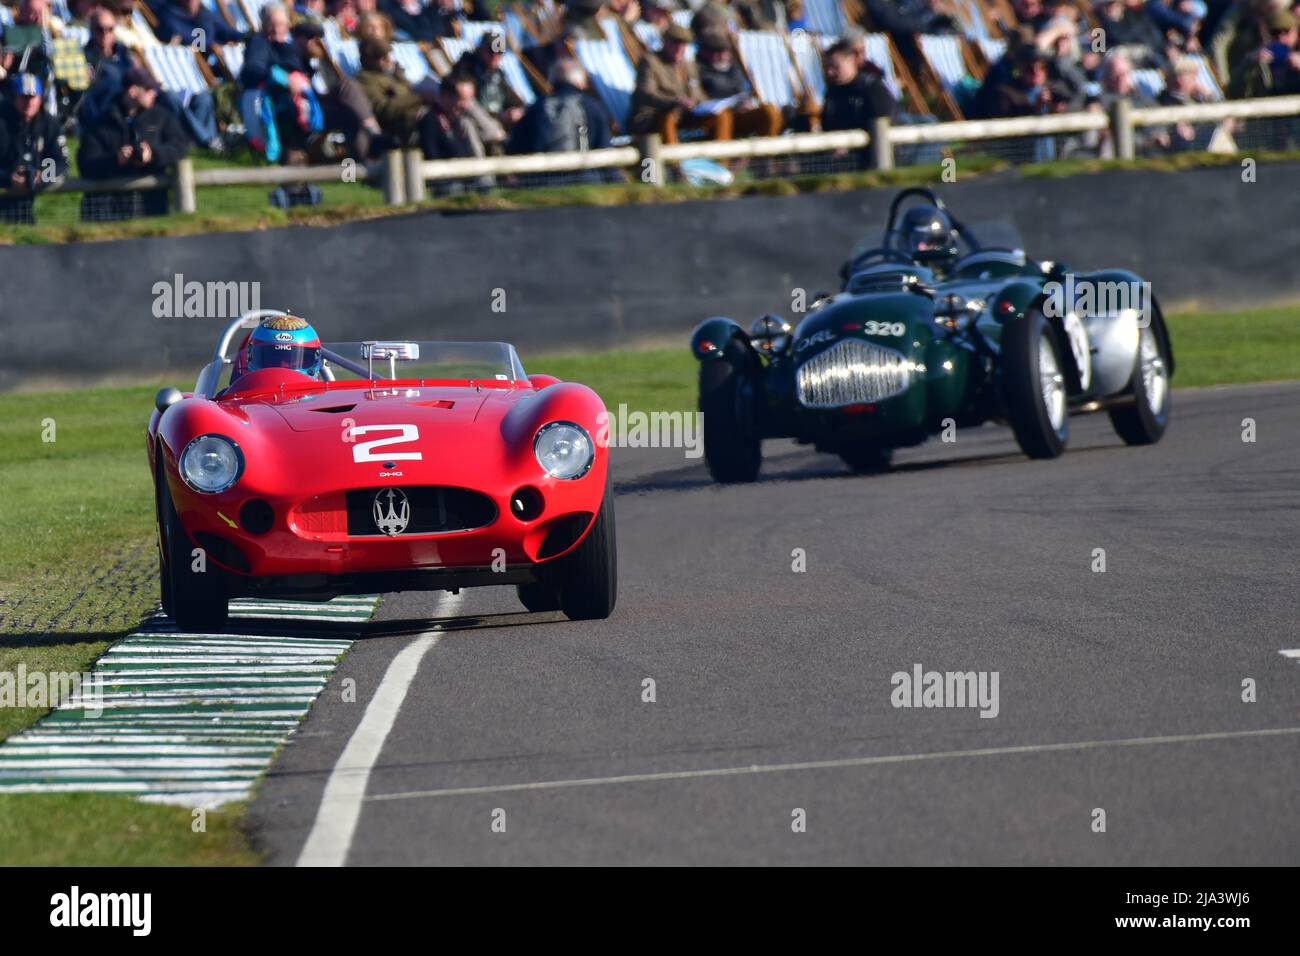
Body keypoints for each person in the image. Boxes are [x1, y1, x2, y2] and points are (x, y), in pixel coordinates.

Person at [77, 65, 190, 221]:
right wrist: (116, 160)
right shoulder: (100, 123)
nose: (154, 94)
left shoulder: (162, 117)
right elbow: (85, 163)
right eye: (149, 89)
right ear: (132, 91)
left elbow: (180, 147)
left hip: (151, 208)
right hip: (106, 211)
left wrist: (152, 155)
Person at [507, 56, 618, 182]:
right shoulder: (592, 107)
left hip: (542, 184)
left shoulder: (537, 107)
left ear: (553, 80)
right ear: (580, 82)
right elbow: (605, 152)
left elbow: (515, 147)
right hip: (584, 181)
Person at [629, 23, 731, 143]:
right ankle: (674, 160)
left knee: (723, 115)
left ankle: (722, 159)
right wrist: (675, 101)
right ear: (665, 42)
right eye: (675, 43)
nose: (679, 48)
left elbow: (698, 94)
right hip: (654, 116)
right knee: (669, 118)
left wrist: (712, 105)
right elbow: (646, 94)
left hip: (686, 116)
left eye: (683, 45)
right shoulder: (650, 61)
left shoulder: (688, 65)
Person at [0, 73, 67, 224]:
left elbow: (61, 160)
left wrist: (42, 176)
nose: (29, 103)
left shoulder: (48, 123)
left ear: (40, 98)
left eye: (33, 97)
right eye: (24, 97)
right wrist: (8, 178)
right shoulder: (2, 121)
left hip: (28, 207)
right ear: (13, 97)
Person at [695, 30, 784, 136]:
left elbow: (742, 92)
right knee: (724, 117)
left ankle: (768, 149)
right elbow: (699, 100)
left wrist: (745, 103)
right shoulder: (698, 70)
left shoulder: (735, 69)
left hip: (739, 114)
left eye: (725, 51)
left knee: (770, 110)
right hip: (713, 118)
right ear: (704, 52)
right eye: (716, 52)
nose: (722, 56)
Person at [821, 38, 896, 135]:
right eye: (827, 68)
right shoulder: (832, 92)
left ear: (851, 60)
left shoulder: (872, 87)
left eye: (835, 67)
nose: (830, 72)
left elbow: (884, 124)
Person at [452, 33, 526, 131]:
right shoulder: (467, 70)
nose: (495, 56)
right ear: (481, 50)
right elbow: (468, 105)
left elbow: (515, 101)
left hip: (499, 121)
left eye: (500, 52)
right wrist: (500, 116)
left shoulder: (497, 75)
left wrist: (518, 111)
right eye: (491, 51)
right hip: (477, 122)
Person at [231, 314, 323, 386]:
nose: (283, 367)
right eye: (273, 358)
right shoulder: (236, 397)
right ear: (251, 357)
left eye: (291, 361)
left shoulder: (325, 398)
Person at [155, 0, 246, 47]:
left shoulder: (201, 12)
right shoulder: (169, 15)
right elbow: (202, 39)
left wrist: (247, 37)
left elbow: (224, 31)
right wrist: (216, 43)